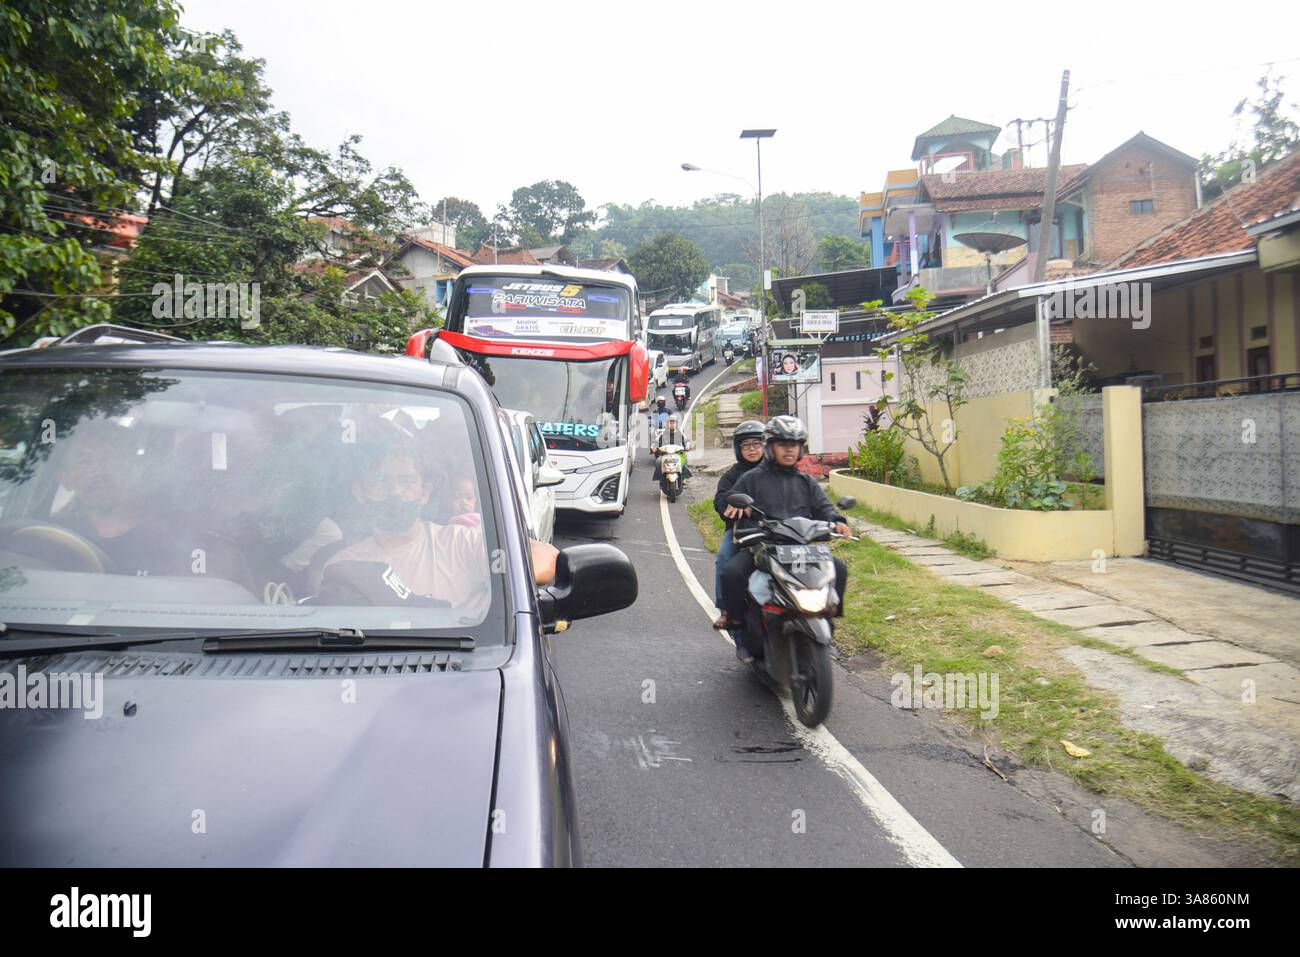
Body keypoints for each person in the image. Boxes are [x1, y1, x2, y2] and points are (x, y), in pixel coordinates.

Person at [324, 422, 557, 616]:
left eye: (406, 481)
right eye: (381, 480)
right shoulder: (343, 565)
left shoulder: (461, 543)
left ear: (425, 493)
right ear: (362, 491)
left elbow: (546, 557)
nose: (394, 491)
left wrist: (521, 570)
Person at [716, 415, 851, 662]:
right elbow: (730, 497)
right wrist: (733, 505)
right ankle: (738, 627)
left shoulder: (806, 481)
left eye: (794, 445)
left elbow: (824, 508)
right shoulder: (753, 478)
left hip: (801, 550)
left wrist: (838, 521)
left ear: (800, 449)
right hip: (763, 547)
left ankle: (828, 625)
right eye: (782, 444)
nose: (789, 450)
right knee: (732, 573)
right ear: (771, 447)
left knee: (838, 569)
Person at [711, 420, 765, 628]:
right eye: (746, 445)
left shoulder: (773, 471)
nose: (752, 449)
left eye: (756, 444)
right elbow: (720, 499)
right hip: (741, 530)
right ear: (738, 449)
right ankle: (725, 609)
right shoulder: (733, 475)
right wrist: (731, 507)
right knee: (724, 559)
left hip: (775, 529)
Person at [651, 413, 691, 483]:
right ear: (667, 424)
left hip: (678, 453)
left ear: (676, 424)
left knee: (683, 461)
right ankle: (660, 479)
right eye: (670, 422)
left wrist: (687, 447)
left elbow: (686, 441)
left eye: (673, 422)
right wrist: (653, 447)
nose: (672, 424)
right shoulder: (663, 433)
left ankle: (683, 478)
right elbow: (655, 442)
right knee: (658, 462)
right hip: (665, 454)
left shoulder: (680, 433)